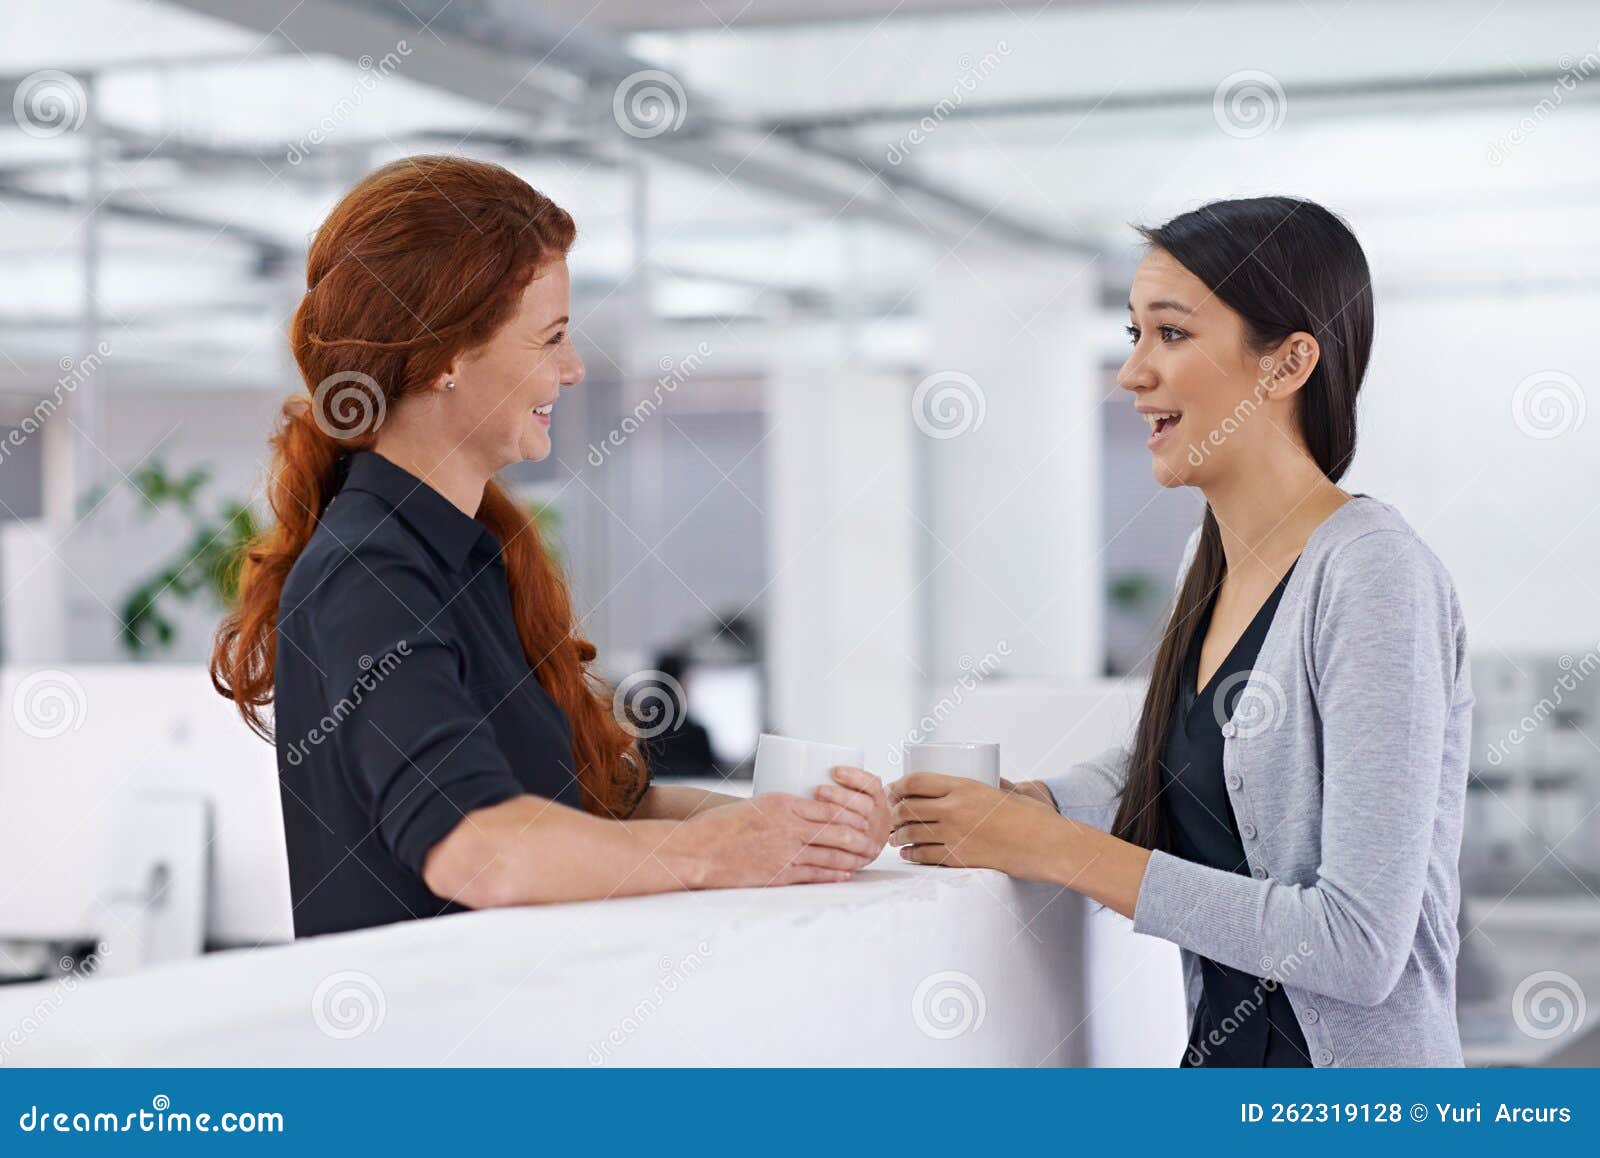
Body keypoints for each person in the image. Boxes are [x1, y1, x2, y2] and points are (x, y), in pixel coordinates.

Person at [210, 155, 889, 938]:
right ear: (446, 359)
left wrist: (801, 829)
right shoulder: (368, 574)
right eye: (551, 339)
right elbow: (479, 851)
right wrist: (712, 853)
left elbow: (600, 803)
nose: (572, 370)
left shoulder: (475, 558)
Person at [887, 197, 1472, 1068]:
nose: (1130, 373)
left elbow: (1356, 944)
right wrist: (1035, 803)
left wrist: (1060, 849)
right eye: (1132, 334)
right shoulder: (1213, 554)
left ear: (1288, 362)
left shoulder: (1372, 575)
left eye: (1170, 334)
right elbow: (1181, 766)